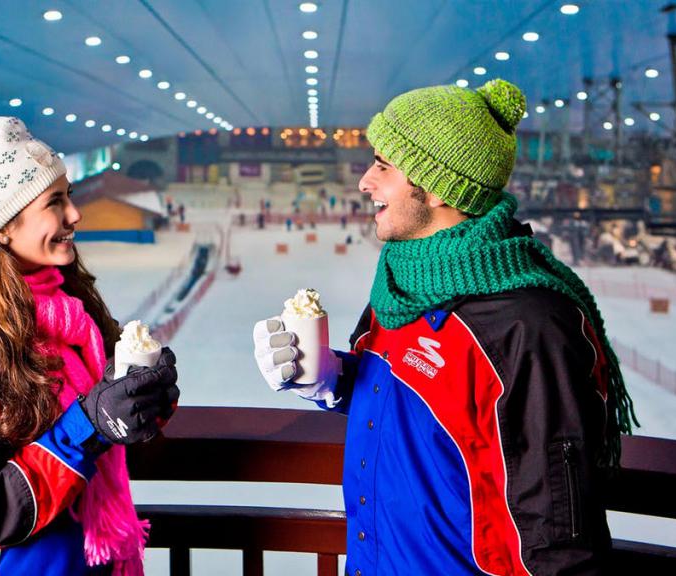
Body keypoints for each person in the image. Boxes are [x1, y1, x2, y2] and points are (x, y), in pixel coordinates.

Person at [253, 80, 636, 575]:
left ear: (435, 187)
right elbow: (423, 407)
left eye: (383, 166)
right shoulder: (402, 284)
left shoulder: (528, 327)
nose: (365, 182)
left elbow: (557, 536)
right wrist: (331, 379)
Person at [0, 117, 179, 576]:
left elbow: (104, 428)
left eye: (69, 196)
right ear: (2, 227)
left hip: (80, 563)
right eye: (55, 202)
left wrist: (142, 400)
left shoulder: (66, 303)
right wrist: (89, 427)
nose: (75, 215)